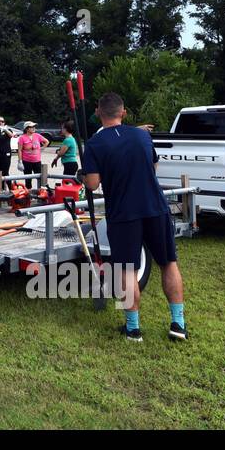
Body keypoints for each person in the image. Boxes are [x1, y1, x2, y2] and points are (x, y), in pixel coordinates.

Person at [82, 92, 188, 343]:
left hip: (123, 214)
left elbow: (93, 183)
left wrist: (82, 176)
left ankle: (133, 329)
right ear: (124, 112)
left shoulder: (95, 144)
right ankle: (178, 324)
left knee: (128, 269)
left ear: (99, 113)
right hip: (156, 207)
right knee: (168, 263)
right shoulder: (142, 135)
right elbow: (153, 168)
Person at [17, 121, 49, 191]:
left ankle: (41, 193)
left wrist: (42, 148)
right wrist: (20, 161)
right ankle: (29, 194)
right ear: (27, 129)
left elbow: (46, 141)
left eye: (34, 126)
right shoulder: (22, 138)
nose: (34, 128)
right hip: (26, 161)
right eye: (32, 127)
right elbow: (19, 150)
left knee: (40, 178)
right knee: (28, 179)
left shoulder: (37, 135)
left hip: (37, 161)